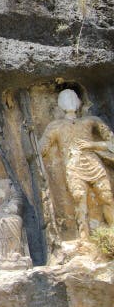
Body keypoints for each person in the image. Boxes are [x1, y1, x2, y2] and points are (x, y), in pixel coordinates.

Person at [38, 89, 114, 239]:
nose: (70, 101)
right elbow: (41, 149)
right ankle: (84, 238)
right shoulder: (55, 126)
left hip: (94, 164)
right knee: (79, 198)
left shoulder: (91, 120)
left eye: (73, 97)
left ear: (79, 102)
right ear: (60, 104)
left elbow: (111, 142)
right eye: (65, 98)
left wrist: (92, 145)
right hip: (73, 167)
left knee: (106, 196)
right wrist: (29, 137)